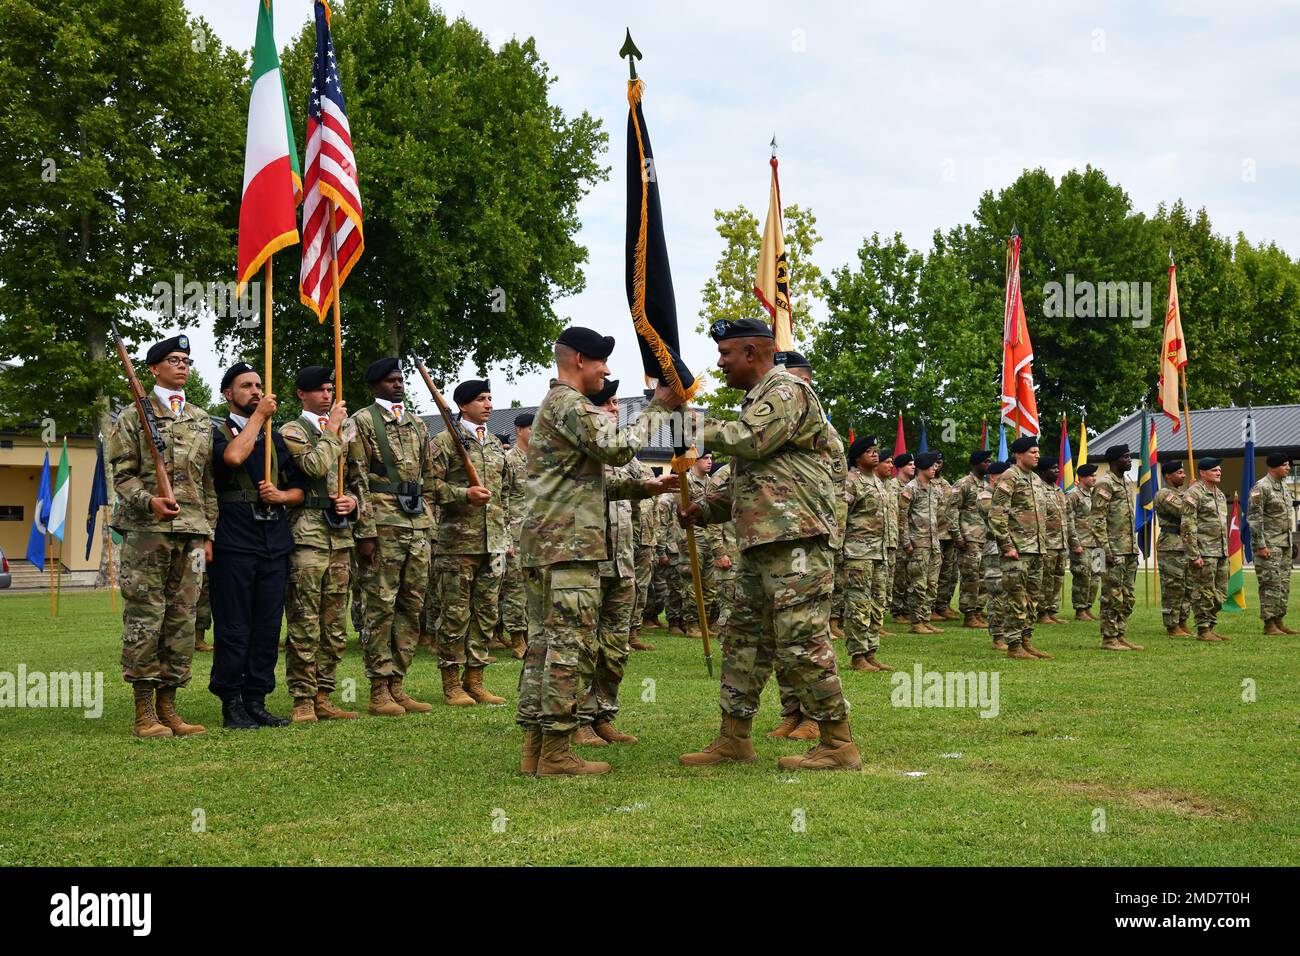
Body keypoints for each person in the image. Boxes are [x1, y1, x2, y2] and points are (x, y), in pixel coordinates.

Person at [679, 318, 859, 772]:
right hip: (761, 543)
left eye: (726, 354)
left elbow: (750, 441)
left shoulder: (786, 391)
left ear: (752, 352)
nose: (720, 364)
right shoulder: (758, 401)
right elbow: (754, 480)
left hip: (796, 542)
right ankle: (734, 738)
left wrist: (683, 424)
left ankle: (837, 743)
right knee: (743, 641)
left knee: (801, 639)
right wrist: (704, 509)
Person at [515, 328, 681, 776]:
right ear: (580, 360)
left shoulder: (557, 406)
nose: (606, 371)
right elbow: (616, 449)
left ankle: (536, 748)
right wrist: (657, 408)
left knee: (545, 646)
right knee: (569, 648)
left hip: (550, 545)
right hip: (568, 548)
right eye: (601, 362)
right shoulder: (570, 404)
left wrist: (644, 487)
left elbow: (585, 481)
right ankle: (557, 752)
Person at [108, 334, 214, 738]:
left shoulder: (201, 419)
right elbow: (123, 475)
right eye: (173, 360)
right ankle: (144, 711)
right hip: (147, 532)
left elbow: (207, 484)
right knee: (146, 616)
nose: (182, 365)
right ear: (154, 369)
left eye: (186, 360)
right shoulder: (133, 416)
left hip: (191, 531)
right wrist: (149, 501)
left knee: (183, 618)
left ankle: (169, 707)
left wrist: (209, 532)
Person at [207, 363, 306, 728]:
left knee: (267, 627)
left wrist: (282, 496)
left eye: (259, 385)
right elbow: (233, 457)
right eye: (246, 386)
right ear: (228, 394)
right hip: (234, 542)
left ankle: (256, 698)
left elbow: (299, 489)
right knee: (234, 626)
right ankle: (231, 701)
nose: (255, 391)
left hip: (273, 542)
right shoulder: (216, 433)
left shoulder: (274, 439)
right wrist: (259, 417)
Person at [351, 358, 436, 717]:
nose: (398, 385)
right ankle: (378, 689)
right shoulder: (363, 421)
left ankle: (397, 683)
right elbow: (356, 478)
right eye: (390, 380)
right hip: (383, 525)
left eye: (401, 380)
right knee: (380, 607)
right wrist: (365, 531)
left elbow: (429, 479)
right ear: (375, 385)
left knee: (411, 607)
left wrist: (431, 525)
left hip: (417, 526)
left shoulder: (417, 423)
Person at [279, 366, 364, 722]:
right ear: (302, 394)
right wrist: (333, 430)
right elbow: (313, 467)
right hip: (307, 536)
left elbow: (358, 477)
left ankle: (324, 694)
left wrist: (354, 501)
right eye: (319, 390)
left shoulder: (345, 431)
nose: (327, 395)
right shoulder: (292, 430)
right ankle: (302, 698)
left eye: (330, 389)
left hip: (339, 536)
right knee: (305, 621)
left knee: (334, 624)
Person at [429, 379, 512, 707]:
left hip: (493, 542)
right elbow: (429, 485)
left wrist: (505, 534)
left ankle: (475, 679)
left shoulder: (495, 444)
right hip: (457, 543)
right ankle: (451, 683)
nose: (488, 404)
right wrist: (464, 494)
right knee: (454, 614)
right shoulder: (444, 442)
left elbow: (505, 492)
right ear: (463, 406)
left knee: (486, 613)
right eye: (481, 399)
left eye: (490, 398)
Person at [573, 380, 643, 747]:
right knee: (583, 646)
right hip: (589, 563)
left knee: (615, 648)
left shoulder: (625, 456)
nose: (616, 409)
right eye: (610, 403)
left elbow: (639, 497)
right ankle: (578, 719)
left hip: (622, 564)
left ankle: (603, 715)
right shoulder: (580, 449)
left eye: (617, 403)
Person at [775, 351, 849, 638]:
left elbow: (837, 487)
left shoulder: (822, 431)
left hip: (808, 529)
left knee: (805, 601)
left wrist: (833, 534)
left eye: (785, 380)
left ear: (804, 382)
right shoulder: (777, 421)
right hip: (776, 530)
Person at [988, 436, 1052, 660]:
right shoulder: (1010, 476)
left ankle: (1026, 641)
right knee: (1016, 598)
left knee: (1032, 599)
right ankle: (1014, 646)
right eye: (1033, 452)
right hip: (1017, 550)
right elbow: (997, 514)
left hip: (1036, 549)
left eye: (1038, 452)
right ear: (1019, 454)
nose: (1037, 455)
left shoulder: (1035, 479)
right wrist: (1007, 545)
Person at [841, 435, 894, 673]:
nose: (875, 454)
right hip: (858, 553)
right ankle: (857, 655)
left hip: (879, 552)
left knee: (877, 604)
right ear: (857, 457)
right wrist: (839, 552)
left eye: (876, 450)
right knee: (858, 605)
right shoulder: (851, 481)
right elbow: (841, 518)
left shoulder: (878, 481)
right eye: (869, 451)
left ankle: (871, 652)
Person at [1092, 444, 1142, 651]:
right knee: (1112, 596)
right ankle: (1109, 638)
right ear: (1114, 460)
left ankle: (1120, 634)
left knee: (1128, 596)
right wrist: (1105, 550)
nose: (1129, 460)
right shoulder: (1105, 483)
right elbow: (1097, 520)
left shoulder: (1126, 481)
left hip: (1128, 549)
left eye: (1129, 456)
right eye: (1126, 457)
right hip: (1112, 550)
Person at [1182, 457, 1230, 642]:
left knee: (1220, 592)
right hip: (1204, 551)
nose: (1219, 472)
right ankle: (1203, 629)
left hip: (1220, 551)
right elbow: (1188, 525)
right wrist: (1194, 554)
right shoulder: (1194, 493)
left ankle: (1210, 625)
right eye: (1214, 470)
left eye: (1219, 470)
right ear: (1202, 473)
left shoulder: (1219, 494)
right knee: (1204, 591)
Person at [499, 412, 533, 656]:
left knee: (536, 589)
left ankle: (533, 635)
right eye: (532, 428)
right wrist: (505, 537)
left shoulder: (541, 461)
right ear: (519, 430)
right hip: (516, 533)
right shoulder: (509, 460)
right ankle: (517, 638)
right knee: (516, 589)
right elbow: (501, 499)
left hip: (539, 534)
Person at [1251, 454, 1296, 635]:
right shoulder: (1261, 487)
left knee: (1283, 584)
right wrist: (1260, 545)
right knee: (1270, 584)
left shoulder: (1283, 486)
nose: (1288, 468)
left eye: (1288, 465)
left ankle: (1279, 620)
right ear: (1274, 467)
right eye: (1284, 465)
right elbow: (1255, 519)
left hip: (1284, 544)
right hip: (1269, 545)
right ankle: (1269, 624)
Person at [902, 452, 945, 634]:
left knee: (932, 584)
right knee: (918, 585)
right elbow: (902, 517)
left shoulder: (934, 489)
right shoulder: (911, 488)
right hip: (918, 543)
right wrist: (906, 542)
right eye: (931, 465)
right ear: (922, 467)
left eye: (936, 465)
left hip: (933, 543)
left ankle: (925, 619)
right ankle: (916, 621)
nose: (935, 468)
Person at [953, 450, 993, 628]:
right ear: (976, 463)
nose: (988, 465)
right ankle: (969, 614)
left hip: (985, 537)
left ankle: (978, 610)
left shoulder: (987, 486)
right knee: (971, 577)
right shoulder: (963, 484)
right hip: (969, 537)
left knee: (984, 577)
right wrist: (957, 536)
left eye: (989, 461)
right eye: (986, 462)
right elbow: (952, 511)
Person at [1154, 460, 1192, 636]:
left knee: (1187, 587)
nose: (1184, 475)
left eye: (1183, 472)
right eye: (1179, 472)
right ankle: (1172, 625)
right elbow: (1184, 511)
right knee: (1173, 587)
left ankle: (1182, 621)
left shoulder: (1183, 494)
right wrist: (1193, 493)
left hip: (1186, 543)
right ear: (1168, 476)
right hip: (1171, 544)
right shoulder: (1164, 494)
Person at [627, 453, 660, 651]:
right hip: (623, 539)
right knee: (622, 586)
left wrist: (655, 540)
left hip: (646, 540)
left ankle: (633, 633)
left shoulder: (646, 471)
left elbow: (654, 509)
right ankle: (615, 634)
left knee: (641, 587)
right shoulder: (615, 468)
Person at [1034, 456, 1070, 625]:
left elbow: (1065, 517)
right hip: (1047, 543)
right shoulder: (1038, 489)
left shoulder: (1058, 490)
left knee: (1058, 578)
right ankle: (1041, 612)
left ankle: (1051, 610)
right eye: (1053, 468)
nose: (1057, 471)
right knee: (1045, 579)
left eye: (1057, 468)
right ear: (1043, 471)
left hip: (1061, 542)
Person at [981, 461, 1011, 650]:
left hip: (1010, 548)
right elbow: (996, 517)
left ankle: (1011, 633)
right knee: (997, 594)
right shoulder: (985, 497)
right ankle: (998, 636)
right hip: (993, 550)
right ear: (993, 477)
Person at [1068, 464, 1102, 621]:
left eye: (1095, 475)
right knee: (1082, 576)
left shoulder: (1096, 494)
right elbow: (1069, 520)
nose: (1094, 478)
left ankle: (1088, 607)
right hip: (1082, 543)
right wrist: (1075, 543)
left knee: (1096, 577)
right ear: (1081, 477)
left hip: (1097, 543)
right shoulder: (1073, 495)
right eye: (1091, 475)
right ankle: (1080, 609)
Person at [931, 451, 960, 621]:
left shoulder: (946, 484)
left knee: (947, 573)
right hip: (934, 535)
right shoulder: (925, 483)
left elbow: (953, 508)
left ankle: (942, 605)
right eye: (935, 462)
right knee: (933, 573)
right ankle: (930, 608)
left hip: (948, 534)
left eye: (940, 462)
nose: (938, 465)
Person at [874, 450, 900, 637]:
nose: (891, 466)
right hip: (872, 545)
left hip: (890, 542)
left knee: (886, 586)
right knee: (874, 586)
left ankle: (878, 622)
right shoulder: (868, 484)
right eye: (888, 462)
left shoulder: (890, 486)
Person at [889, 453, 917, 620]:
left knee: (909, 575)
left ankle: (905, 609)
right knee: (899, 575)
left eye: (913, 464)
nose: (913, 467)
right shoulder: (893, 486)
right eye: (909, 464)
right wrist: (903, 539)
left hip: (912, 535)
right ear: (900, 467)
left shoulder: (912, 486)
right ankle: (898, 610)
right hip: (899, 537)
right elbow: (897, 514)